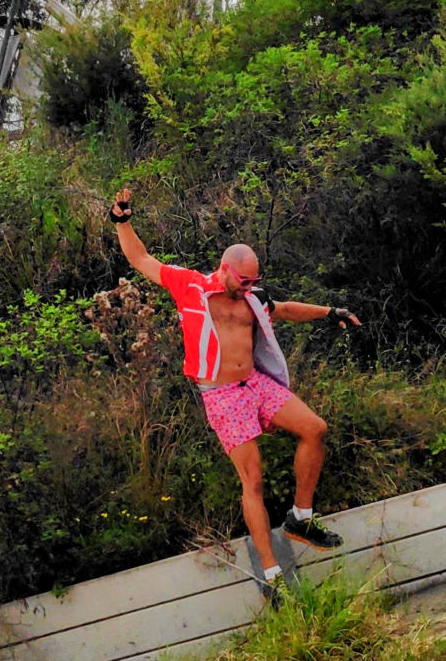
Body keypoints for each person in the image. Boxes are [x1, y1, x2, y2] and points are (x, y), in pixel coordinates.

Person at [108, 187, 361, 598]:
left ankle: (301, 517)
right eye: (243, 281)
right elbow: (141, 259)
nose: (247, 289)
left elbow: (286, 310)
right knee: (254, 482)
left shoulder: (253, 296)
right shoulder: (189, 288)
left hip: (256, 384)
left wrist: (330, 312)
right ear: (224, 269)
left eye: (253, 283)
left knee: (315, 428)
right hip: (222, 395)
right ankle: (272, 575)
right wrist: (122, 221)